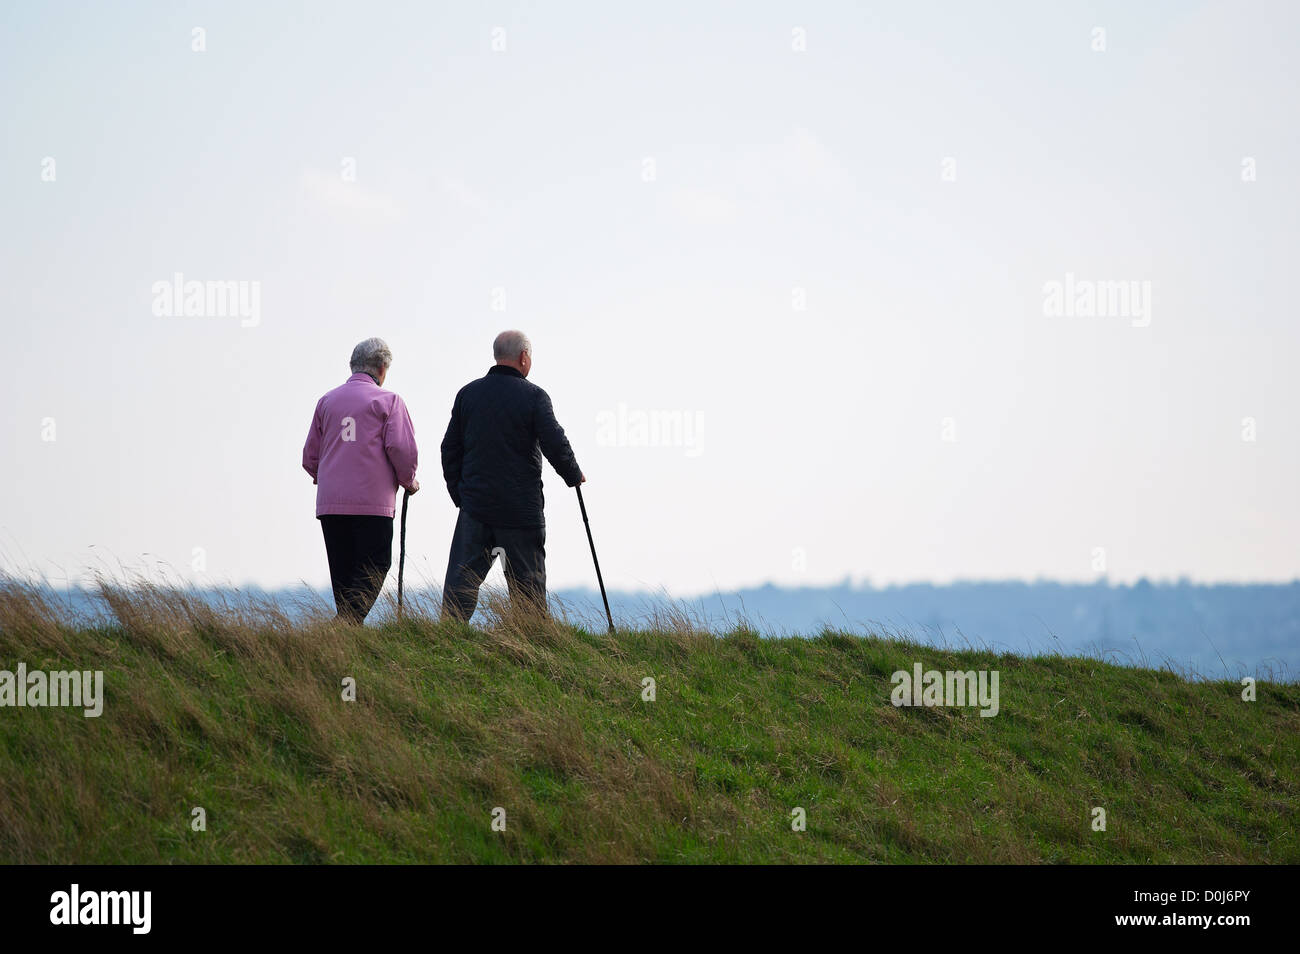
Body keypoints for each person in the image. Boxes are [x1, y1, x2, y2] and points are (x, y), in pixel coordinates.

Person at [440, 330, 584, 620]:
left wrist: (462, 496)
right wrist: (573, 474)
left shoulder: (468, 394)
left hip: (476, 509)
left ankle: (447, 643)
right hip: (520, 513)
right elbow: (554, 442)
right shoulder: (534, 397)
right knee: (528, 596)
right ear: (523, 357)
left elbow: (449, 449)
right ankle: (529, 650)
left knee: (460, 590)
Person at [303, 337, 419, 623]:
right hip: (372, 505)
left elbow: (310, 457)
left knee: (345, 579)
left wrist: (327, 476)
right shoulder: (389, 401)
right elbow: (401, 449)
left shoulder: (326, 402)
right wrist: (409, 480)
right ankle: (342, 626)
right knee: (376, 565)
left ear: (352, 365)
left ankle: (343, 639)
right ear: (382, 368)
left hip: (331, 505)